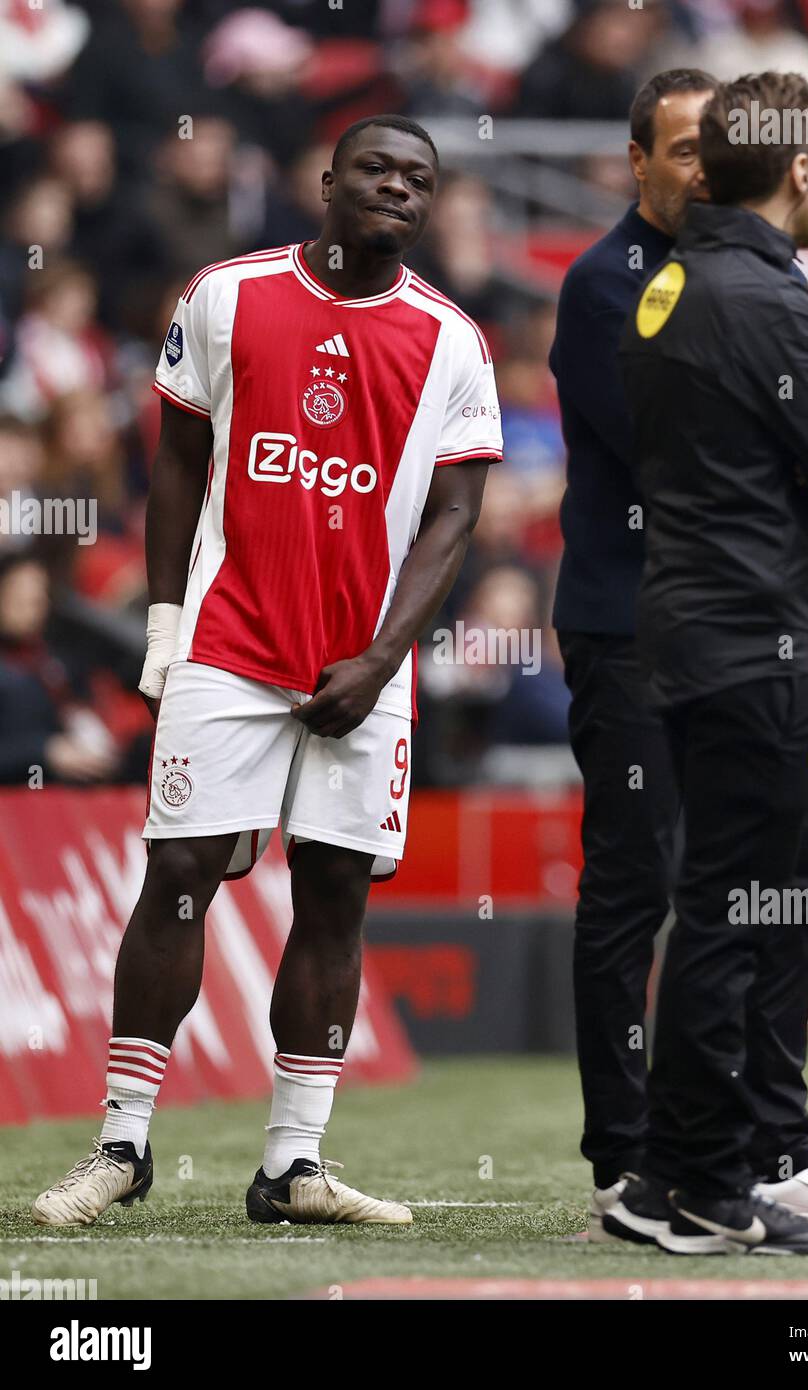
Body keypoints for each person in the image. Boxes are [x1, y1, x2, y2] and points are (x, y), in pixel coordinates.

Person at [32, 114, 503, 1228]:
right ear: (326, 179)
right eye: (377, 168)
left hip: (363, 667)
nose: (398, 187)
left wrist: (382, 659)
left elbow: (455, 517)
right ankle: (122, 1145)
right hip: (228, 644)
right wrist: (161, 623)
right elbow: (178, 463)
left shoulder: (453, 340)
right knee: (181, 869)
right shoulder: (225, 294)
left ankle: (292, 1166)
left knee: (334, 893)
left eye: (419, 179)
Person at [550, 68, 808, 1243]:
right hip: (682, 625)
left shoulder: (698, 283)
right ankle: (658, 1163)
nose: (698, 171)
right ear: (638, 156)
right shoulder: (647, 286)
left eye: (713, 149)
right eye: (682, 148)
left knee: (756, 889)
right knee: (675, 894)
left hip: (710, 622)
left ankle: (748, 1149)